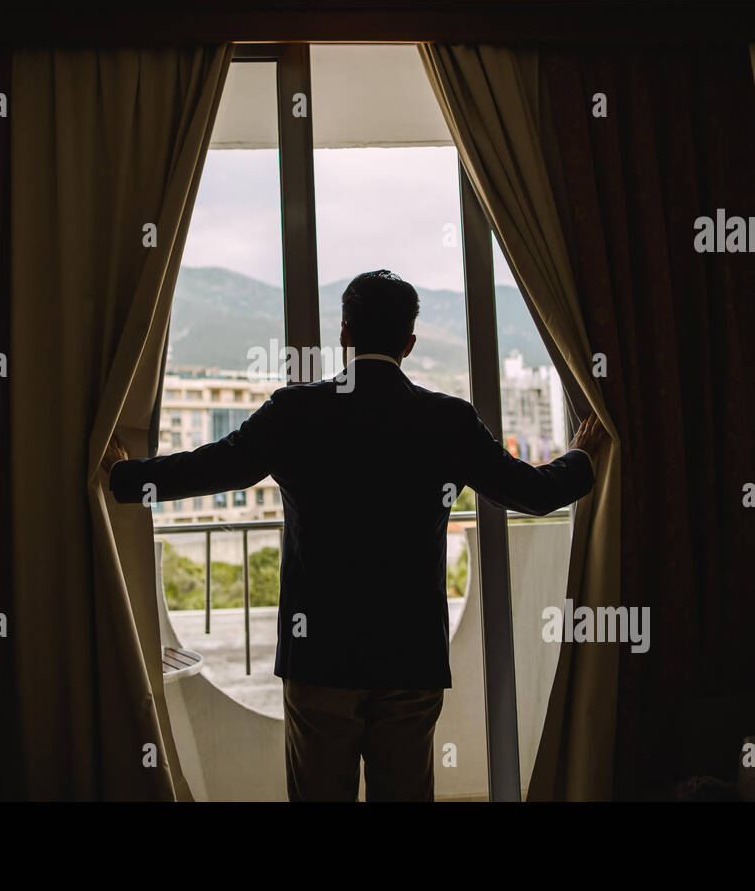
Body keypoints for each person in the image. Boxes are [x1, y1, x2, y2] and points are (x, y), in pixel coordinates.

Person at [104, 269, 606, 801]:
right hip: (410, 656)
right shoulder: (448, 421)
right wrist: (584, 456)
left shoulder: (296, 411)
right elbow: (533, 492)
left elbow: (208, 470)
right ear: (409, 344)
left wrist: (123, 477)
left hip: (318, 655)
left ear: (344, 333)